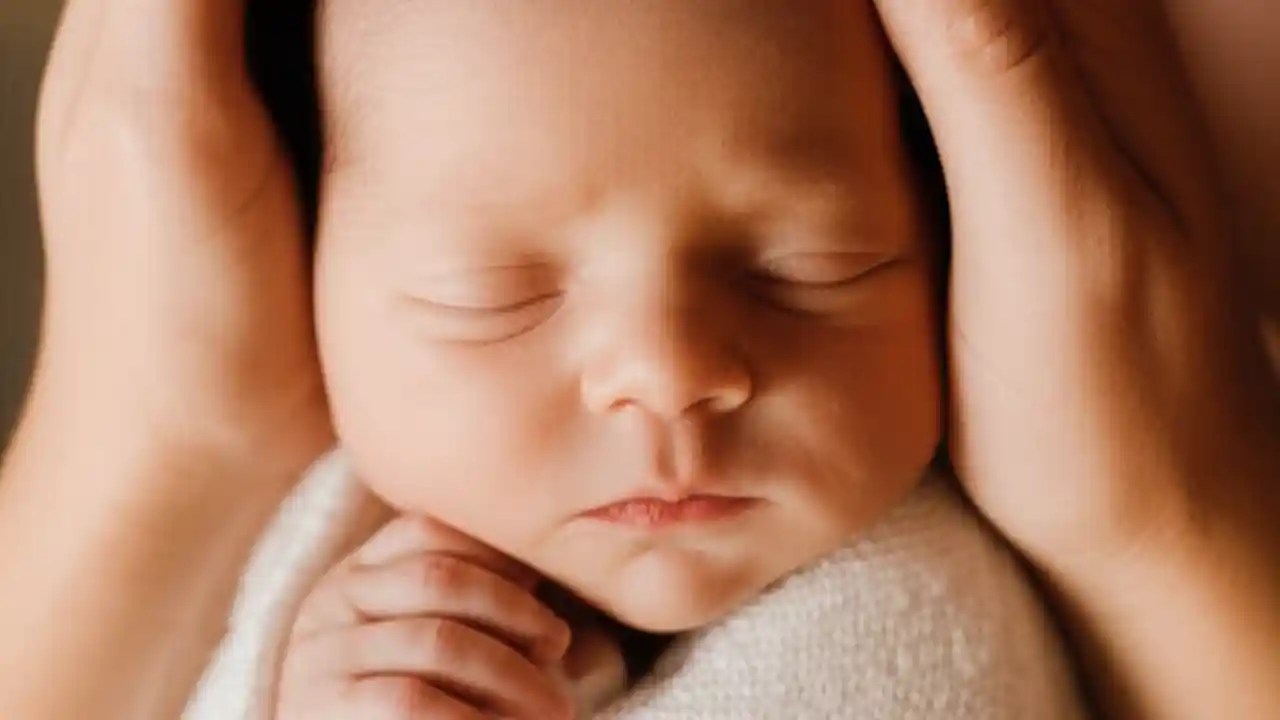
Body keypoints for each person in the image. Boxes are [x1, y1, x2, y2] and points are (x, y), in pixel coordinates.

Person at [1, 0, 1276, 719]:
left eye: (812, 267)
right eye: (493, 297)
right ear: (302, 263)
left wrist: (1166, 520)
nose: (667, 371)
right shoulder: (340, 602)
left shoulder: (1085, 425)